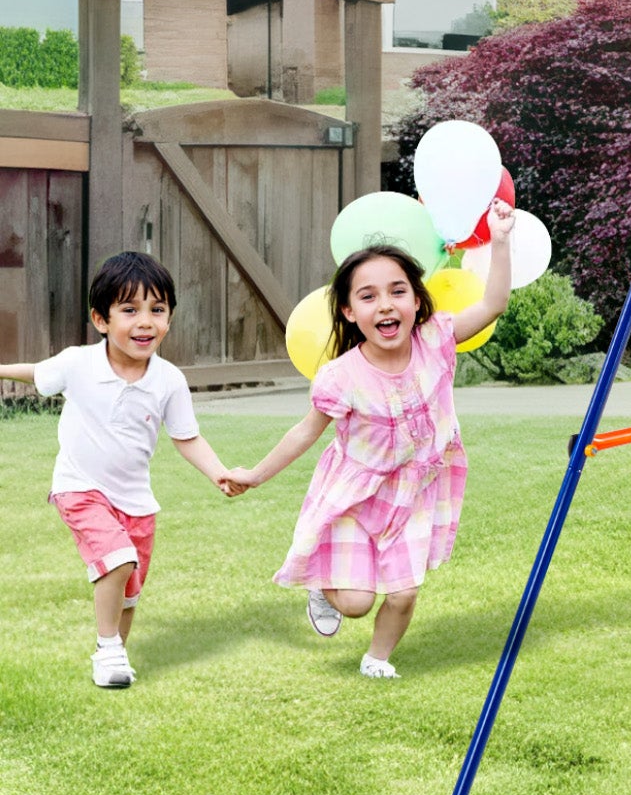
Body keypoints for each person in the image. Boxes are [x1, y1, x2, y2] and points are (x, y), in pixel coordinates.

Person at [221, 204, 512, 678]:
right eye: (369, 296)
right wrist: (253, 475)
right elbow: (305, 432)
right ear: (349, 311)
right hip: (357, 495)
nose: (386, 305)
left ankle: (377, 660)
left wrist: (498, 240)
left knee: (404, 592)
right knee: (355, 602)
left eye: (398, 291)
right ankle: (324, 584)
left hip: (413, 491)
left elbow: (492, 304)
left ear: (418, 301)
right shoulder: (340, 376)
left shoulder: (435, 340)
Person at [0, 252, 238, 689]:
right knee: (118, 559)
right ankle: (108, 648)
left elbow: (186, 437)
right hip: (79, 488)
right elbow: (37, 374)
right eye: (130, 310)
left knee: (130, 589)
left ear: (168, 318)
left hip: (136, 501)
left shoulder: (169, 380)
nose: (145, 321)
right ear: (101, 319)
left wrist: (218, 471)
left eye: (157, 310)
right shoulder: (77, 363)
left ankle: (114, 656)